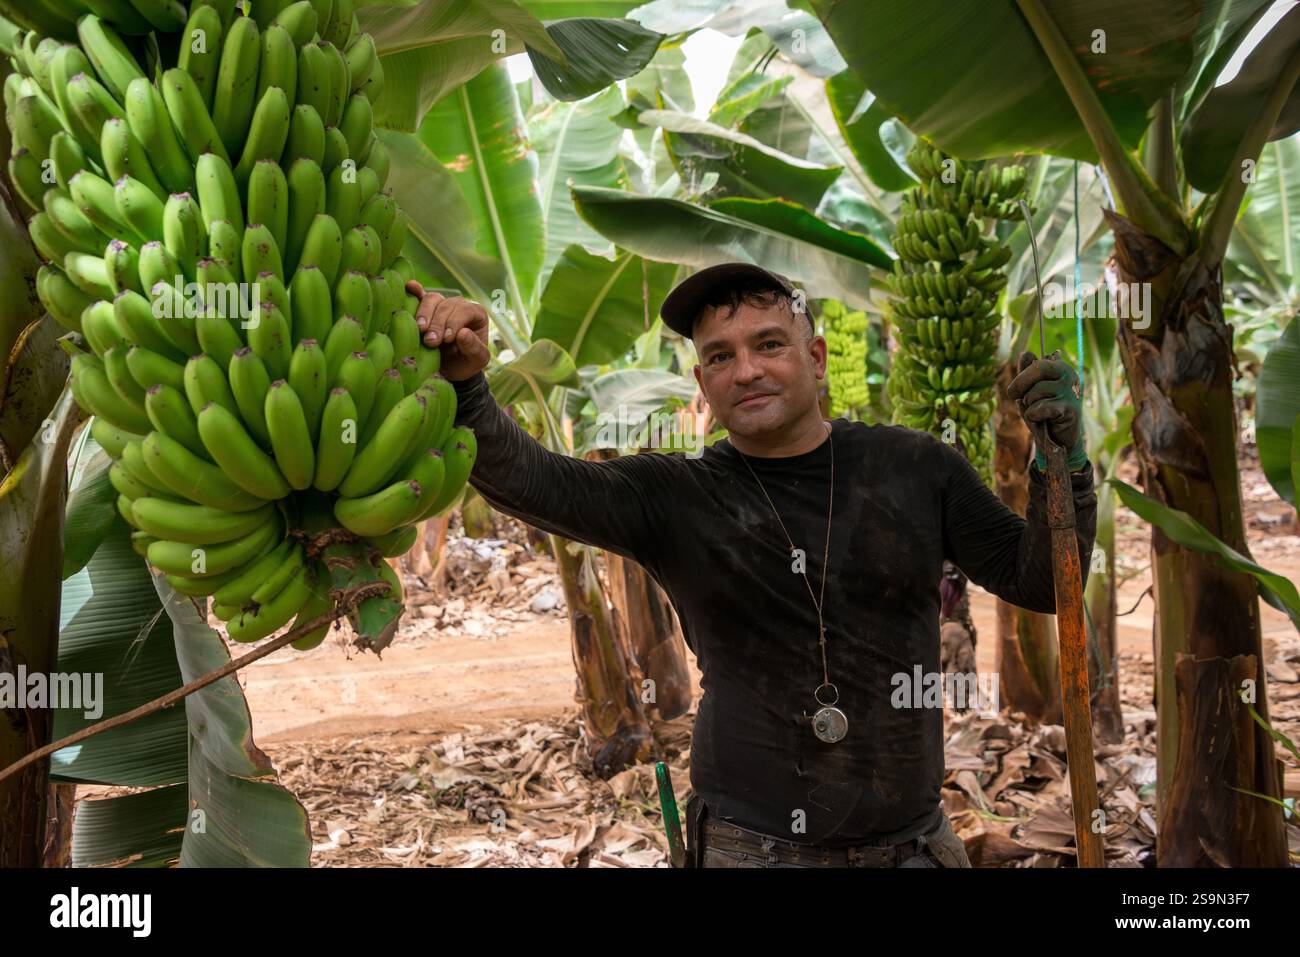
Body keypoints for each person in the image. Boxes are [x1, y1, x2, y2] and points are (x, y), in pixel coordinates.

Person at [404, 262, 1096, 868]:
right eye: (721, 355)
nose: (747, 370)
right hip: (751, 847)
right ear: (702, 380)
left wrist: (1063, 465)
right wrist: (467, 384)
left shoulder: (916, 467)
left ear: (816, 356)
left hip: (910, 845)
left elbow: (1041, 580)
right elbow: (532, 479)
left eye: (769, 345)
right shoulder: (674, 496)